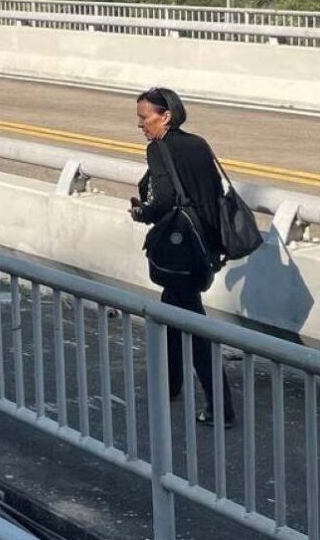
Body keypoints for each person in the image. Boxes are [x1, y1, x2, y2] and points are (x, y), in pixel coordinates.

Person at [129, 87, 235, 427]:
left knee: (193, 325)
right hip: (204, 246)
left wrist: (142, 213)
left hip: (180, 250)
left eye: (145, 118)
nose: (142, 126)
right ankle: (171, 386)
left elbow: (163, 200)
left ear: (166, 116)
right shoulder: (199, 144)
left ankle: (221, 408)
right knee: (171, 309)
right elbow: (213, 195)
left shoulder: (159, 150)